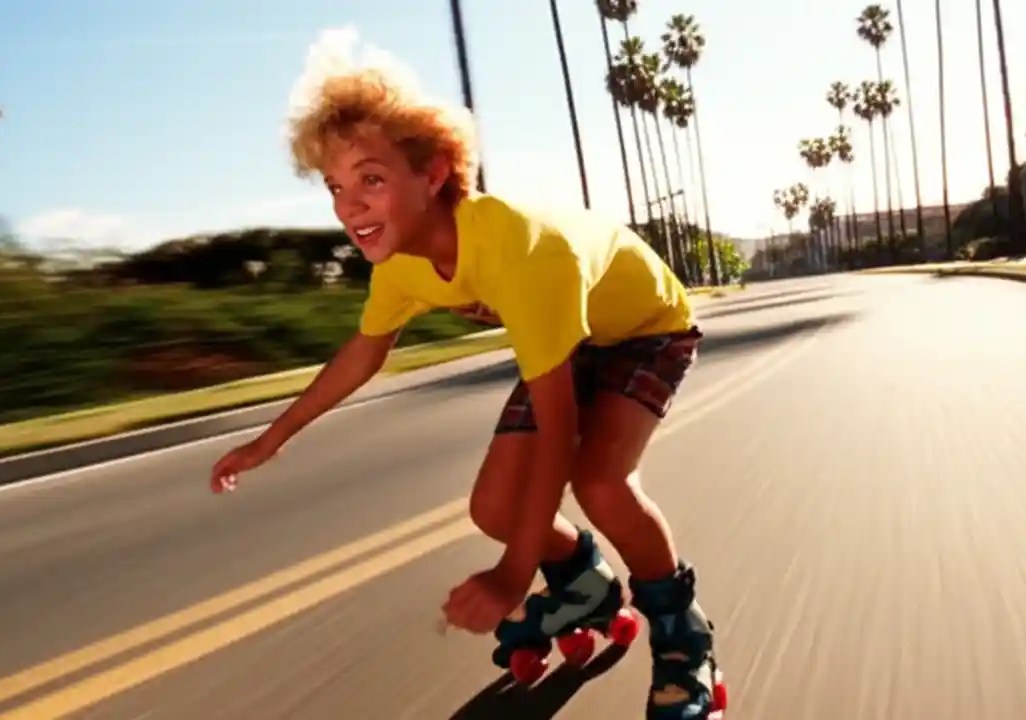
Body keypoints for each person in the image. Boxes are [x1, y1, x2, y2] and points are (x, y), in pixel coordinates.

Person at [210, 29, 722, 719]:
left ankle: (682, 635)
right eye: (336, 186)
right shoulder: (401, 265)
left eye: (371, 178)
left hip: (644, 327)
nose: (349, 205)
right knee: (493, 509)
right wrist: (270, 441)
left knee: (599, 481)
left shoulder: (519, 250)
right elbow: (363, 353)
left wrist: (514, 572)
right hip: (570, 333)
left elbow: (558, 430)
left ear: (434, 172)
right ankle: (583, 586)